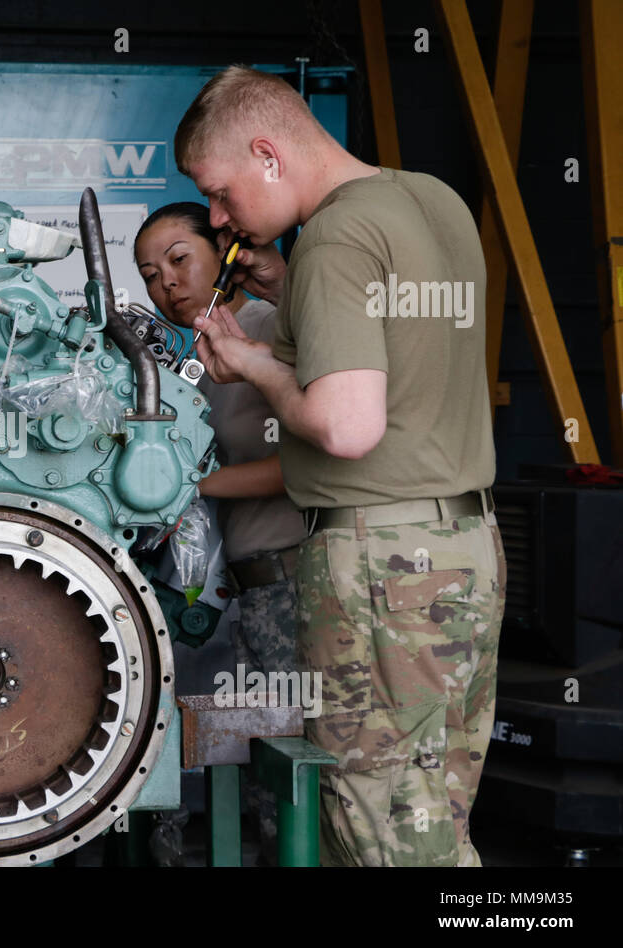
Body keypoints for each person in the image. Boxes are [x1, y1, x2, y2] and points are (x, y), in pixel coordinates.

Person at [176, 66, 506, 867]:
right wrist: (295, 298)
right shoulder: (432, 202)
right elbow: (404, 347)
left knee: (377, 830)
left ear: (268, 154)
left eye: (219, 192)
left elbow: (346, 423)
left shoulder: (334, 237)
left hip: (379, 566)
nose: (220, 218)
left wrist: (253, 365)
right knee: (430, 813)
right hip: (462, 546)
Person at [135, 202, 305, 865]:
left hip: (285, 588)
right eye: (150, 274)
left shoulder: (263, 333)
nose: (166, 284)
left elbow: (302, 465)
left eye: (180, 259)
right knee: (233, 762)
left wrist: (184, 487)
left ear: (226, 254)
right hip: (232, 594)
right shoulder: (196, 361)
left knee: (283, 780)